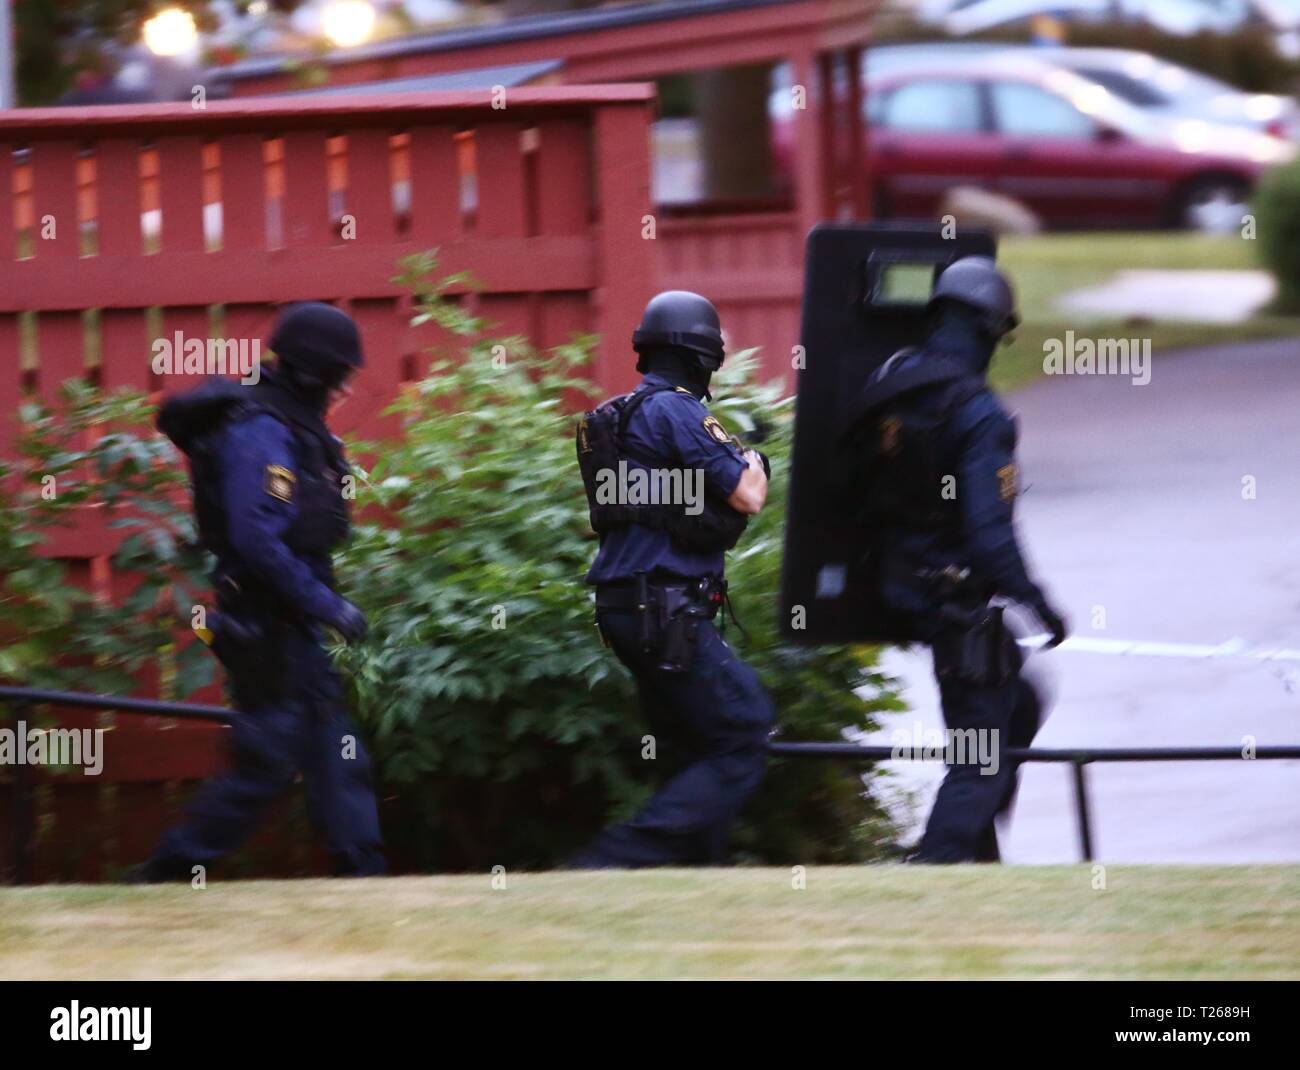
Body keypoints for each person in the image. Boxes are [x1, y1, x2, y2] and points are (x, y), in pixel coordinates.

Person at [128, 303, 384, 881]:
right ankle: (164, 875)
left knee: (334, 751)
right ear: (317, 372)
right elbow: (256, 537)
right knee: (266, 764)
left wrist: (320, 607)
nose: (345, 387)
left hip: (291, 621)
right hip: (268, 622)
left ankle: (365, 875)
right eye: (341, 374)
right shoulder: (262, 428)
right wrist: (328, 605)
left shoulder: (288, 419)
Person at [847, 257, 1068, 863]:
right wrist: (1041, 604)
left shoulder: (891, 381)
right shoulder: (978, 412)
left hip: (893, 583)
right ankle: (937, 870)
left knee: (1015, 702)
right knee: (982, 755)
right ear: (989, 329)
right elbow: (990, 535)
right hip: (951, 601)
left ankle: (978, 855)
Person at [570, 291, 774, 867]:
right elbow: (745, 495)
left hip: (623, 609)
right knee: (744, 728)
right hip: (664, 610)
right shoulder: (679, 411)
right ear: (701, 356)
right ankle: (615, 861)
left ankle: (697, 873)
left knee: (695, 745)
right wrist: (755, 461)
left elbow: (643, 505)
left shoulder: (615, 417)